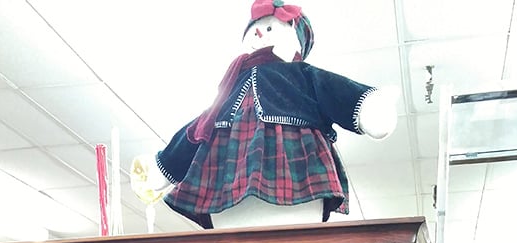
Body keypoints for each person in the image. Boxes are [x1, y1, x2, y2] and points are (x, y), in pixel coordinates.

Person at [131, 0, 397, 229]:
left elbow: (336, 91)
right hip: (227, 195)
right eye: (255, 31)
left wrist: (367, 106)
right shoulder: (227, 89)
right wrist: (163, 166)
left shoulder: (302, 76)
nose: (260, 35)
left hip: (295, 184)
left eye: (269, 28)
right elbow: (197, 129)